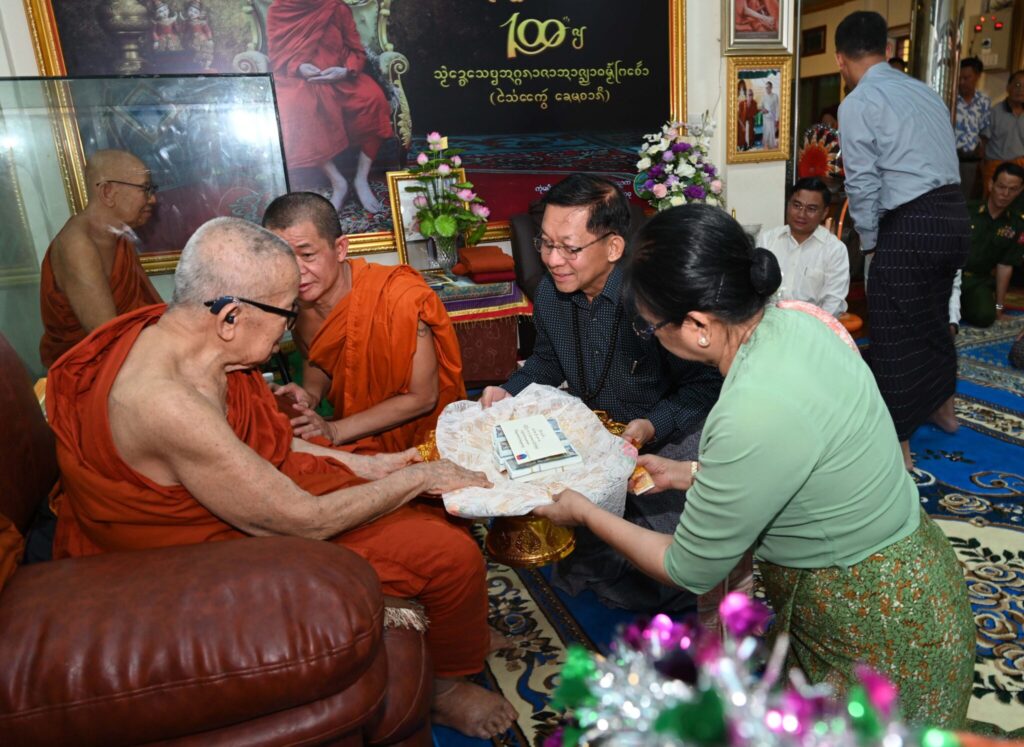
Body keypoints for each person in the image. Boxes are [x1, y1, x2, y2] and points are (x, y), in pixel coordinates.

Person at [46, 217, 517, 739]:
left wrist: (374, 466)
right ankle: (443, 690)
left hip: (238, 485)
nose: (290, 331)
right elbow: (304, 519)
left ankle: (458, 627)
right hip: (202, 546)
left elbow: (251, 443)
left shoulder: (180, 331)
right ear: (230, 316)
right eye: (285, 314)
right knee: (446, 553)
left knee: (399, 476)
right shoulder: (164, 403)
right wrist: (416, 476)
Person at [535, 204, 975, 729]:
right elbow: (803, 456)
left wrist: (585, 512)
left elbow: (688, 566)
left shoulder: (748, 408)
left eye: (650, 326)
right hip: (912, 575)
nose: (650, 336)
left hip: (873, 617)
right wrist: (693, 473)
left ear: (698, 326)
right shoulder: (800, 320)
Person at [480, 174, 722, 612]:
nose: (553, 260)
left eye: (569, 248)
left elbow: (704, 386)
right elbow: (547, 364)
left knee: (674, 568)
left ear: (613, 247)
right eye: (545, 244)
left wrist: (652, 425)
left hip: (670, 432)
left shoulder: (649, 299)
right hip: (601, 429)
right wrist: (506, 391)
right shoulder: (552, 296)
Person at [836, 11, 968, 469]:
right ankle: (944, 410)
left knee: (891, 333)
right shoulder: (923, 91)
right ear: (888, 49)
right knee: (933, 320)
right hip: (953, 216)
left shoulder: (857, 102)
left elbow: (863, 183)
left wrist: (872, 244)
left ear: (840, 59)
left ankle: (898, 449)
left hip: (911, 223)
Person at [262, 192, 465, 453]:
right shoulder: (299, 306)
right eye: (284, 258)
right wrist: (310, 395)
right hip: (357, 432)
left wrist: (336, 430)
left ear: (340, 249)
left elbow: (424, 398)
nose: (296, 270)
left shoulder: (398, 297)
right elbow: (320, 359)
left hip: (425, 439)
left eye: (308, 255)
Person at [39, 149, 162, 368]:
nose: (153, 199)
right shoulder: (77, 246)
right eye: (145, 189)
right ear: (107, 192)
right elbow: (108, 339)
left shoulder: (119, 236)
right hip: (88, 374)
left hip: (132, 357)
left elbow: (144, 310)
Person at [266, 0, 393, 213]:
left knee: (374, 99)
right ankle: (338, 181)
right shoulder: (278, 10)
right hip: (301, 80)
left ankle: (361, 178)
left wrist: (346, 71)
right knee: (298, 108)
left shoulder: (336, 7)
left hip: (341, 76)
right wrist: (298, 67)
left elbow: (357, 51)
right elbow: (277, 57)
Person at [756, 177, 849, 317]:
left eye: (811, 209)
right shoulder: (767, 240)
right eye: (797, 205)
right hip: (769, 323)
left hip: (812, 328)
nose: (801, 214)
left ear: (824, 213)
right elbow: (754, 290)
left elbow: (833, 304)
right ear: (788, 205)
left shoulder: (835, 250)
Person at [961, 162, 1024, 327]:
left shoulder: (1016, 224)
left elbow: (1005, 266)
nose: (1005, 194)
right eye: (1001, 187)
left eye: (1013, 189)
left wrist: (999, 306)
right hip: (950, 276)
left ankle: (961, 307)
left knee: (985, 317)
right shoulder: (967, 211)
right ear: (991, 184)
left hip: (978, 281)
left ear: (1020, 191)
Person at [980, 70, 1024, 195]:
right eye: (1017, 85)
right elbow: (983, 143)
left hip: (1021, 169)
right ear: (1008, 87)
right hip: (996, 168)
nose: (1020, 90)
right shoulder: (993, 112)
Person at [956, 57, 991, 199]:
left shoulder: (983, 101)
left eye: (966, 78)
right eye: (960, 78)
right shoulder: (950, 98)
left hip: (971, 162)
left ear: (977, 76)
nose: (962, 82)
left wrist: (981, 153)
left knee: (968, 200)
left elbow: (985, 130)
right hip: (951, 159)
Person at [760, 80, 779, 150]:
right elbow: (761, 107)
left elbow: (777, 108)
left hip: (772, 119)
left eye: (768, 87)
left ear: (771, 87)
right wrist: (763, 110)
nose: (767, 89)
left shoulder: (775, 96)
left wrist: (777, 120)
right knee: (766, 134)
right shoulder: (763, 97)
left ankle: (772, 148)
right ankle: (765, 148)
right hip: (765, 119)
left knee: (772, 134)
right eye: (766, 87)